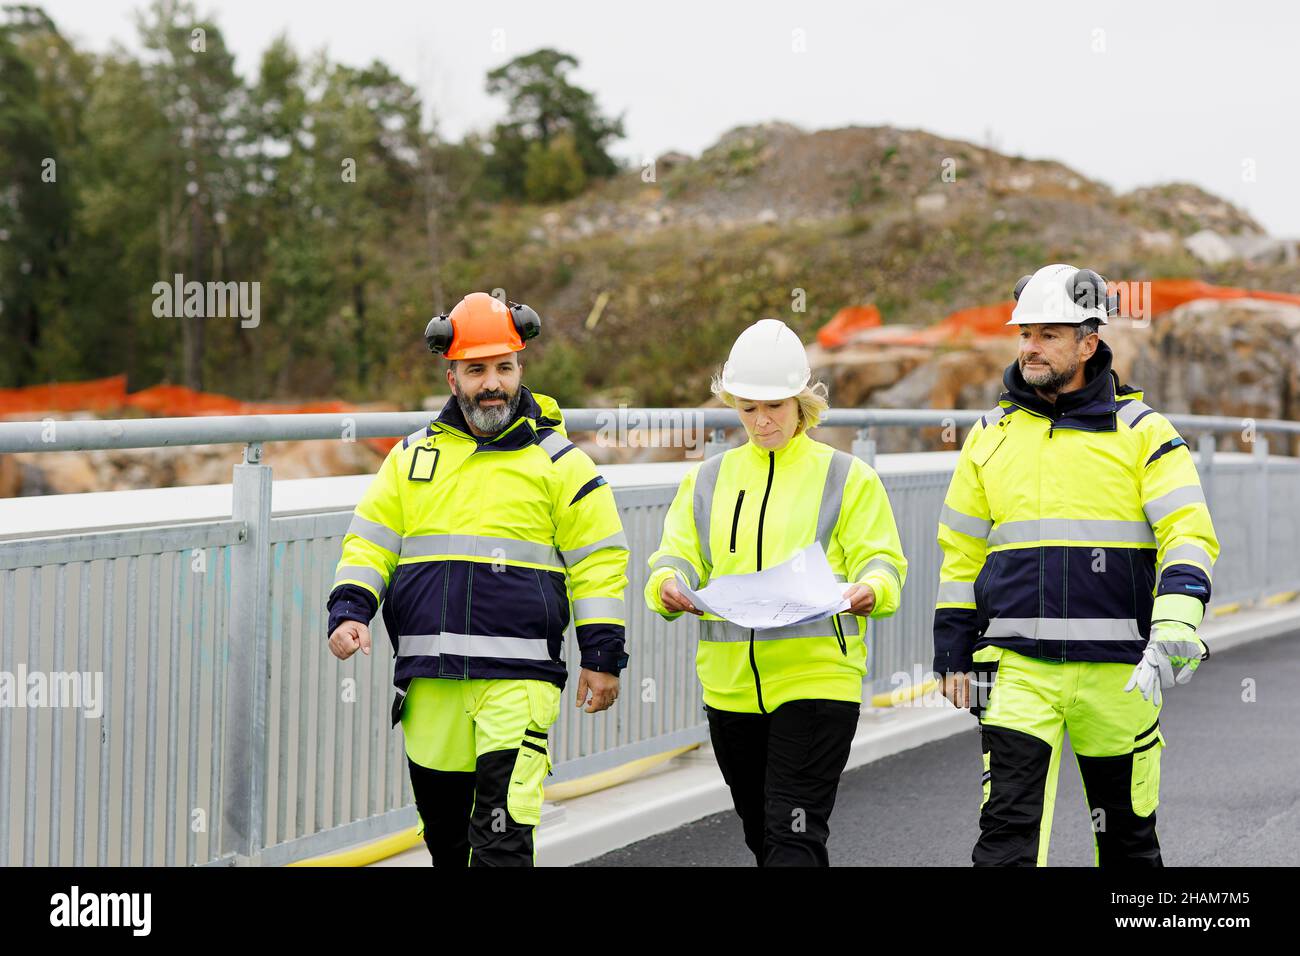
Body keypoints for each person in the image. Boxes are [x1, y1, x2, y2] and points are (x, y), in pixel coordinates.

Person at [326, 291, 629, 866]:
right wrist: (349, 611)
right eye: (477, 370)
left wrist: (603, 654)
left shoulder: (562, 464)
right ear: (452, 376)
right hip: (430, 684)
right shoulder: (410, 460)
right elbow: (370, 542)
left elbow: (598, 563)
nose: (492, 383)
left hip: (518, 683)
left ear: (521, 370)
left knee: (500, 844)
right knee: (448, 848)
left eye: (503, 368)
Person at [933, 263, 1219, 867]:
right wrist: (953, 647)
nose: (1030, 348)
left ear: (1089, 343)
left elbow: (1188, 534)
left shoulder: (1145, 434)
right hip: (1017, 672)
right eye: (1024, 334)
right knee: (1005, 842)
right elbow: (960, 551)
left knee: (1127, 846)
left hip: (1119, 671)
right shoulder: (989, 434)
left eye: (1049, 335)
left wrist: (1175, 624)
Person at [644, 318, 907, 866]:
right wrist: (667, 584)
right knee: (764, 835)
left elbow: (882, 558)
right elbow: (676, 553)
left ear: (802, 403)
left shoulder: (847, 476)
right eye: (748, 409)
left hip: (818, 679)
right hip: (730, 688)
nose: (761, 422)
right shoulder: (707, 479)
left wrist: (872, 587)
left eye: (775, 408)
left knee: (794, 835)